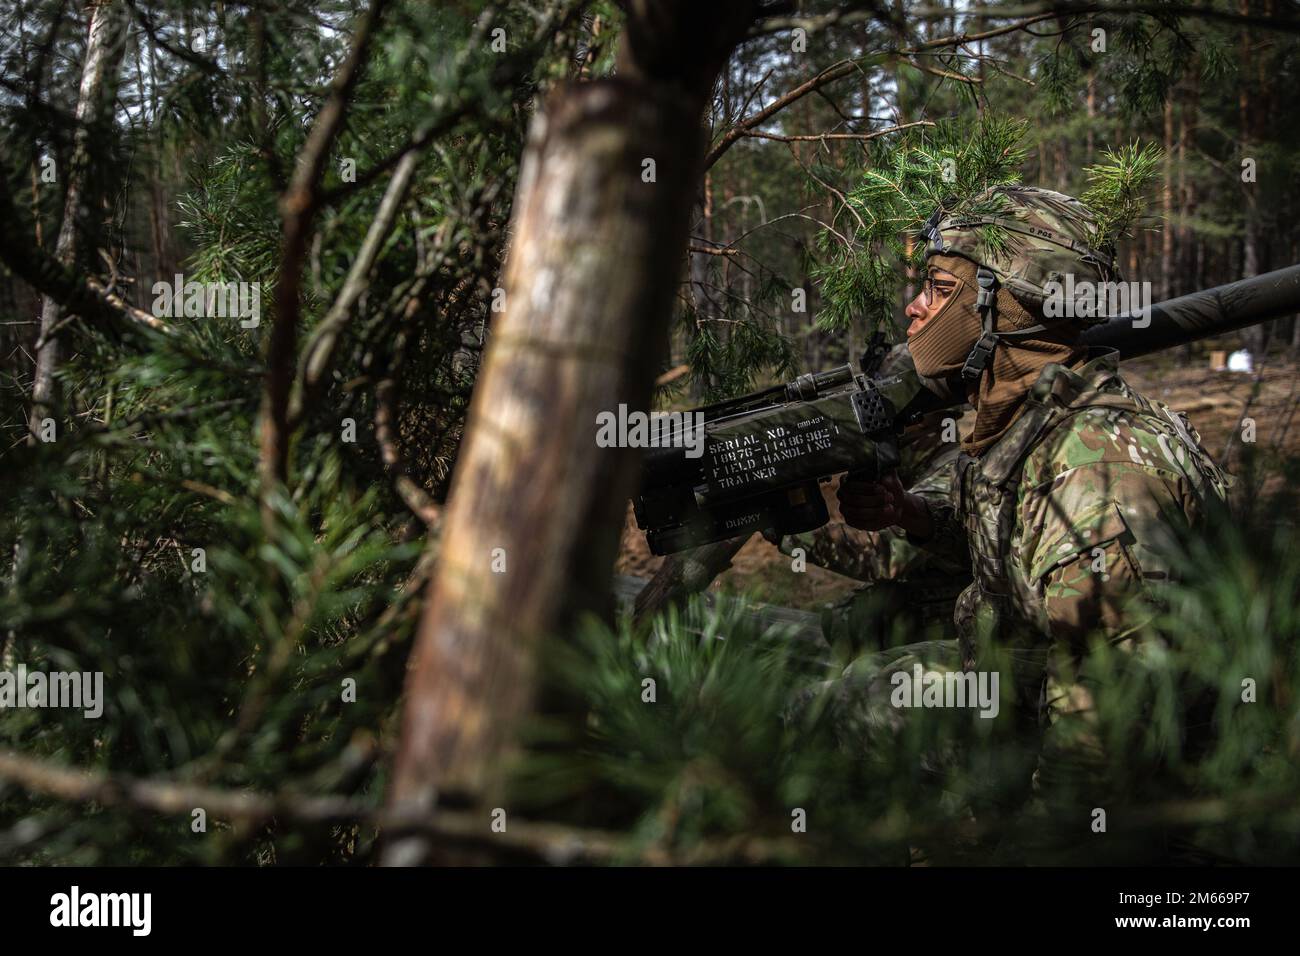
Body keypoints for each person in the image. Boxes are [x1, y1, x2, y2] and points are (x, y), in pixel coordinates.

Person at [829, 186, 1232, 809]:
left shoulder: (1096, 473)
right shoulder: (1039, 420)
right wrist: (914, 514)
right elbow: (1017, 535)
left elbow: (1101, 755)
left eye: (938, 288)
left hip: (1142, 779)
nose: (915, 309)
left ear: (1002, 308)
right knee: (864, 683)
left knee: (840, 709)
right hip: (1033, 680)